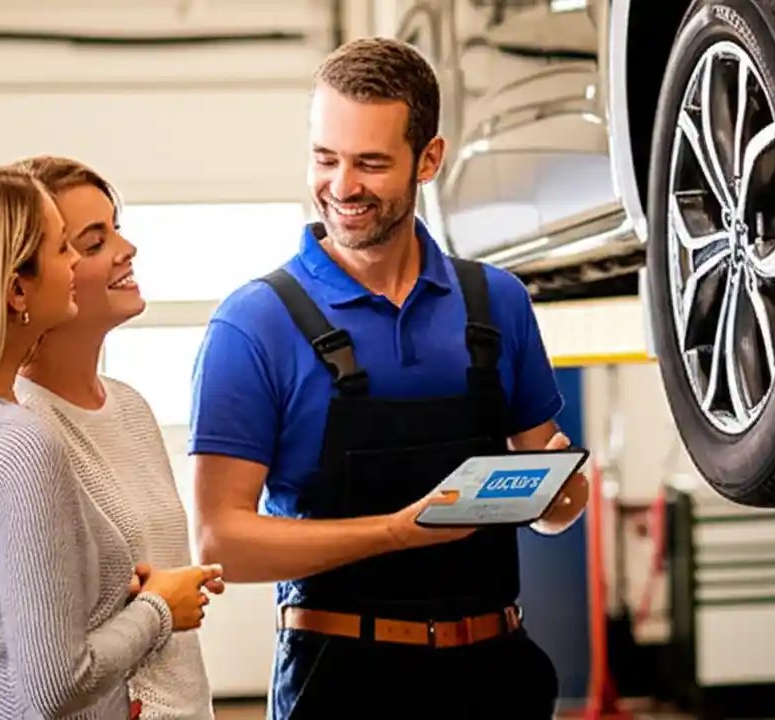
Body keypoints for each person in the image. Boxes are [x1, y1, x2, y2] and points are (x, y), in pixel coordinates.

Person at [188, 37, 589, 719]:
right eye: (326, 158)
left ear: (428, 159)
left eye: (370, 163)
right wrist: (396, 531)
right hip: (341, 686)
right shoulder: (254, 324)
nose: (342, 187)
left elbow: (550, 499)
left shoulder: (496, 303)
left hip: (496, 677)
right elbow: (221, 542)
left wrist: (561, 496)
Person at [0, 166, 220, 719]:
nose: (75, 265)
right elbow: (58, 682)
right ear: (17, 289)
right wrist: (159, 608)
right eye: (66, 248)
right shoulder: (20, 442)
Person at [12, 155, 220, 720]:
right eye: (93, 241)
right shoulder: (26, 429)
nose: (127, 249)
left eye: (117, 229)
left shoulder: (129, 407)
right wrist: (157, 604)